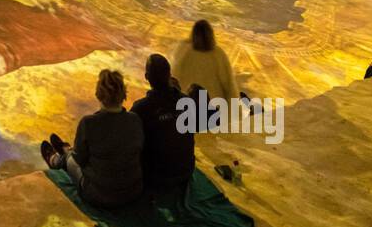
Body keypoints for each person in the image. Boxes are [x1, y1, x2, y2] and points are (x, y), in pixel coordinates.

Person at [40, 69, 144, 209]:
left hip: (99, 195)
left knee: (71, 159)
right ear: (123, 93)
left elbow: (80, 160)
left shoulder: (89, 123)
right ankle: (66, 150)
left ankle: (57, 159)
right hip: (133, 191)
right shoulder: (135, 120)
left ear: (99, 94)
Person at [130, 53, 195, 191]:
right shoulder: (187, 102)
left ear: (146, 77)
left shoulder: (140, 108)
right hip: (186, 170)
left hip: (156, 177)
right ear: (169, 75)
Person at [170, 20, 240, 101]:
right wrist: (235, 111)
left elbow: (174, 77)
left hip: (186, 105)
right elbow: (229, 86)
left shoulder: (183, 51)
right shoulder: (218, 55)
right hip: (213, 107)